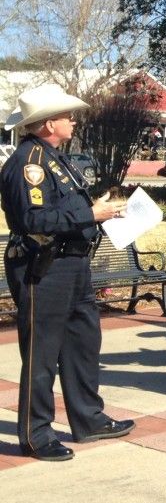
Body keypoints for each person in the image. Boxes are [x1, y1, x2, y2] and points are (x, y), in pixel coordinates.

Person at [1, 87, 132, 461]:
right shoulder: (29, 163)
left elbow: (64, 207)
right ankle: (36, 435)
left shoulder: (54, 158)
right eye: (66, 116)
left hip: (73, 264)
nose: (73, 121)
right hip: (45, 266)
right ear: (47, 124)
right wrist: (89, 215)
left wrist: (96, 209)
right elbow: (34, 219)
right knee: (42, 354)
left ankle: (88, 419)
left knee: (82, 344)